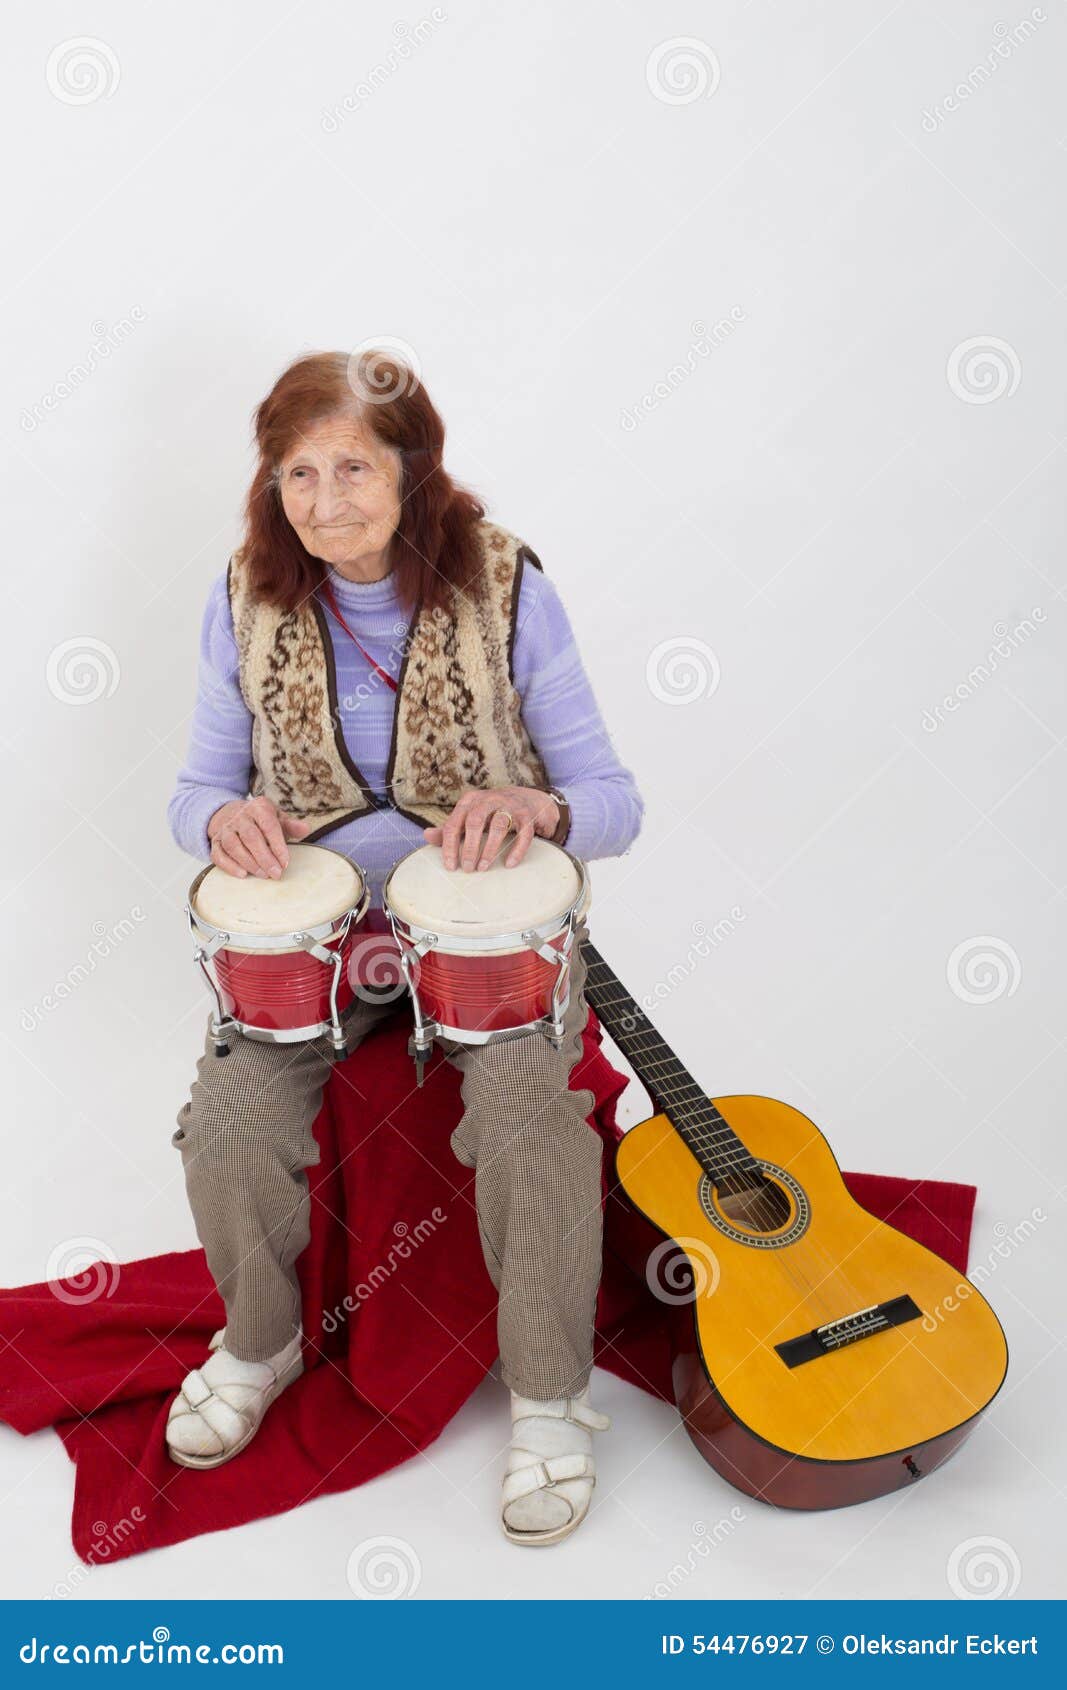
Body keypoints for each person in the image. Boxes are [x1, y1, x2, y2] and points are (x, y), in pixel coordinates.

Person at [165, 348, 644, 1545]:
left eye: (354, 468)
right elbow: (190, 793)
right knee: (227, 1124)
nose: (325, 502)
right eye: (297, 473)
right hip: (318, 945)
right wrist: (218, 819)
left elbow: (612, 796)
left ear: (413, 467)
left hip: (485, 940)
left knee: (531, 1111)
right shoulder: (244, 593)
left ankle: (546, 1397)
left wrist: (538, 809)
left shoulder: (505, 581)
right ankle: (261, 1343)